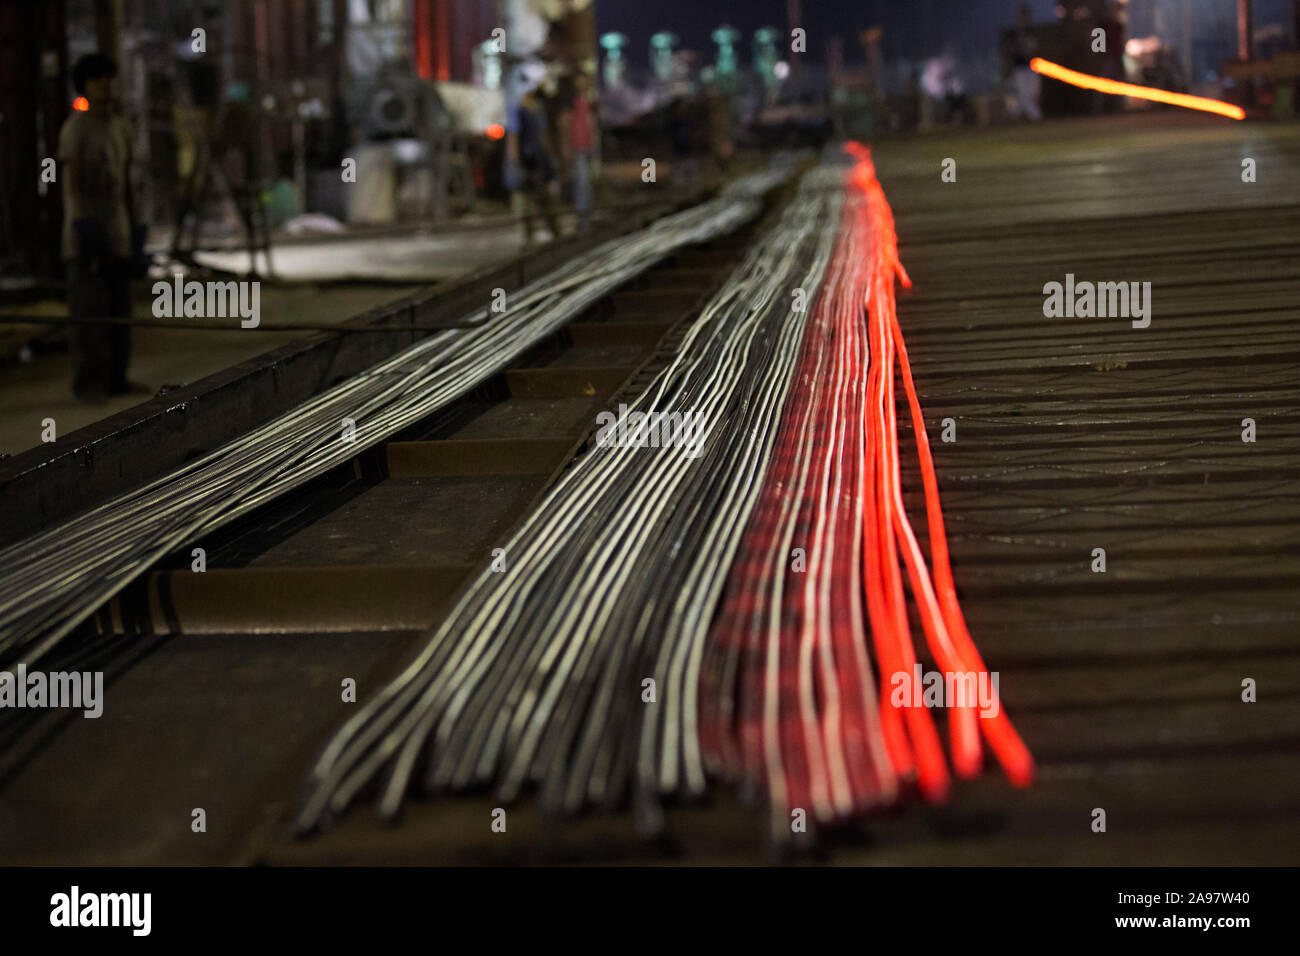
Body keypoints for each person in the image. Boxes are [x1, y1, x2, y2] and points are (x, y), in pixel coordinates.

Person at [59, 52, 146, 403]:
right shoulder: (76, 129)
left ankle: (117, 378)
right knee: (89, 312)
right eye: (97, 80)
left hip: (117, 230)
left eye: (109, 78)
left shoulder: (120, 127)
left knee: (119, 309)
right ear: (85, 86)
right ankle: (88, 383)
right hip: (86, 235)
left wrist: (135, 227)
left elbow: (126, 181)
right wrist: (84, 226)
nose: (106, 85)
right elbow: (74, 183)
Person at [508, 83, 561, 246]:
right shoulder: (519, 110)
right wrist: (515, 162)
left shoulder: (535, 110)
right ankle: (528, 237)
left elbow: (543, 136)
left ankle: (555, 233)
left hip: (537, 162)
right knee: (526, 202)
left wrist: (550, 157)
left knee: (544, 199)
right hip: (527, 162)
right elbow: (513, 137)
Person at [563, 71, 596, 232]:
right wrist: (567, 147)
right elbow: (565, 124)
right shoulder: (572, 101)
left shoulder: (588, 100)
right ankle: (582, 216)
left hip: (587, 145)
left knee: (587, 181)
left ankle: (587, 215)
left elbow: (592, 124)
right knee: (581, 181)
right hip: (577, 146)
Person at [1006, 5, 1043, 121]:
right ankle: (1037, 117)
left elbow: (1035, 50)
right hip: (1019, 68)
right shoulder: (1014, 34)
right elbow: (1012, 50)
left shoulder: (1032, 32)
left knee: (1032, 94)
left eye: (1025, 16)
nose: (1023, 19)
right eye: (1021, 16)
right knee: (1024, 95)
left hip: (1031, 67)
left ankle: (1013, 116)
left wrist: (1027, 51)